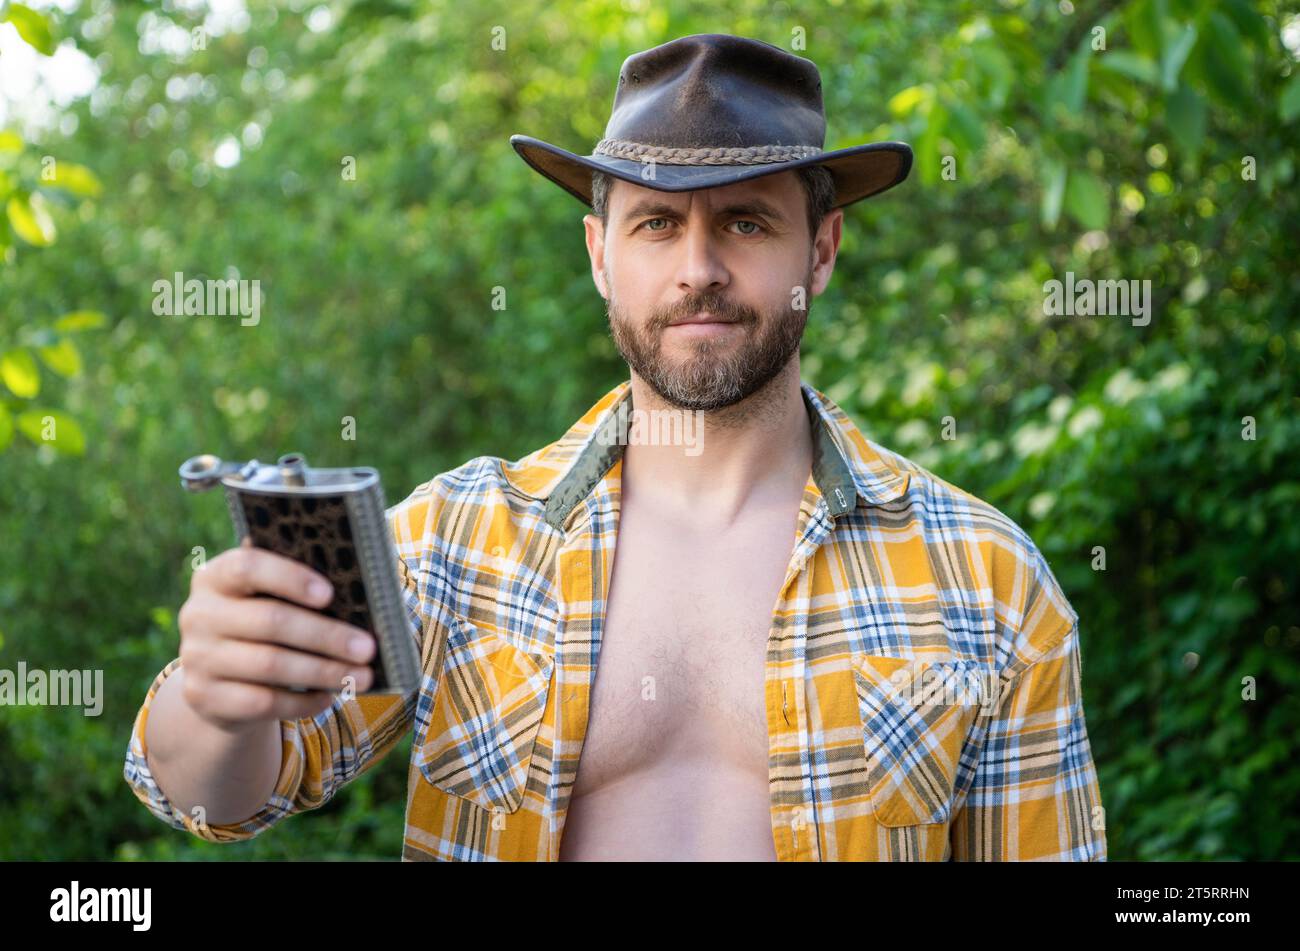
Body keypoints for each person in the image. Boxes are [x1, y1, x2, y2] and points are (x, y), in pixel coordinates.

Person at [124, 33, 1106, 861]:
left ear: (822, 249)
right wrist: (218, 705)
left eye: (747, 222)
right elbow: (218, 801)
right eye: (653, 225)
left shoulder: (987, 584)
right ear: (600, 255)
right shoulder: (457, 544)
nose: (698, 270)